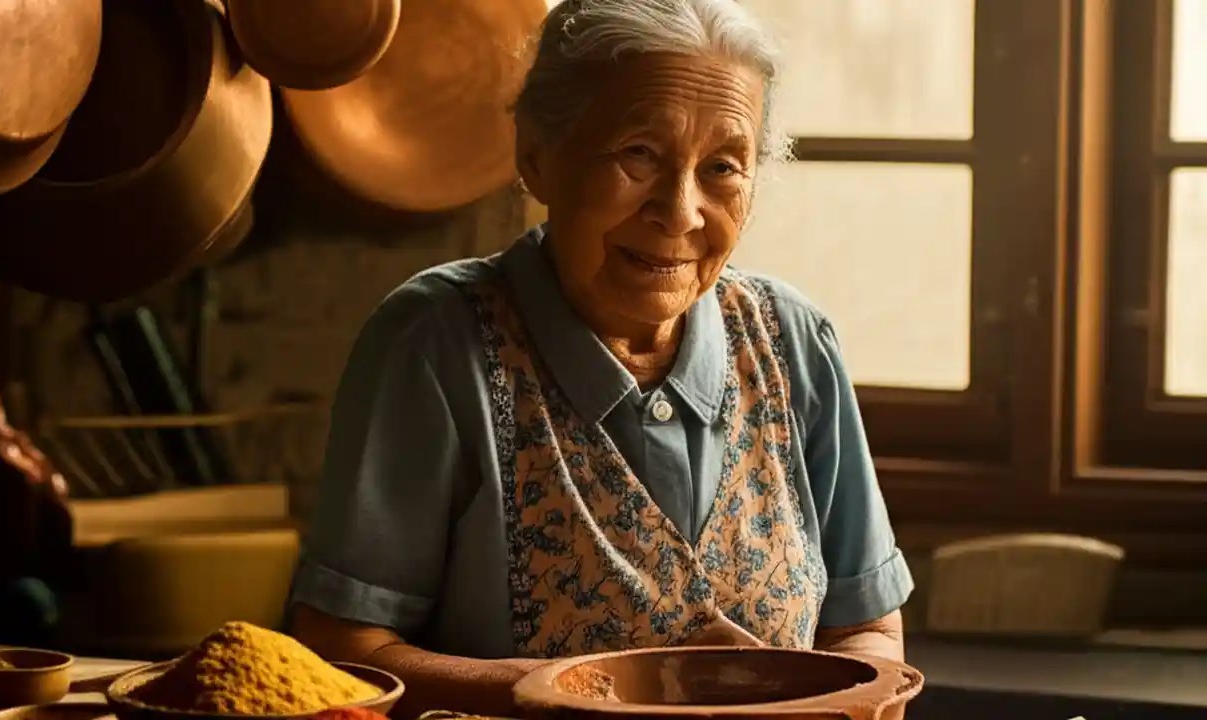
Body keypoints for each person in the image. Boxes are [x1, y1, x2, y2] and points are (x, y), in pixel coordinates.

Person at [288, 0, 914, 715]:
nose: (680, 211)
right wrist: (578, 695)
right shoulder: (434, 344)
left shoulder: (793, 342)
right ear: (537, 156)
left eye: (721, 167)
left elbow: (867, 630)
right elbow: (342, 649)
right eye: (638, 154)